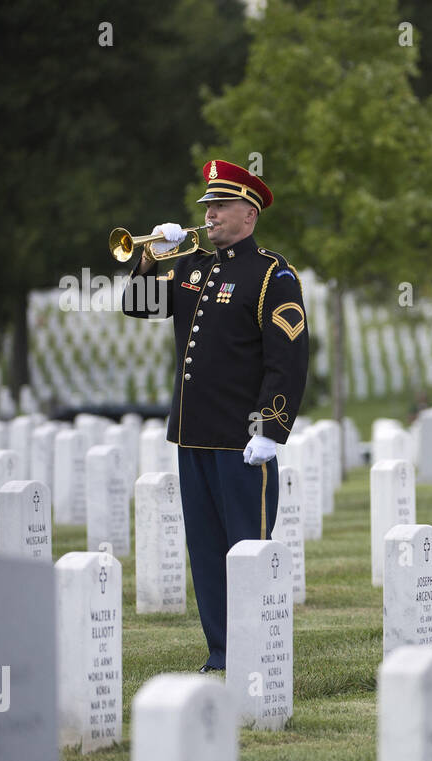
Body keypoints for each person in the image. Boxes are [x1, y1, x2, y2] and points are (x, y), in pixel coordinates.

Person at [121, 160, 309, 672]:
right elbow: (137, 305)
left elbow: (287, 360)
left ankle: (258, 649)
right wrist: (149, 258)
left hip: (243, 441)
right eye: (208, 207)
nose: (211, 216)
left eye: (221, 207)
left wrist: (271, 429)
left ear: (249, 214)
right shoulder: (190, 268)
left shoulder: (273, 274)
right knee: (205, 552)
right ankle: (223, 651)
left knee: (246, 546)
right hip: (194, 434)